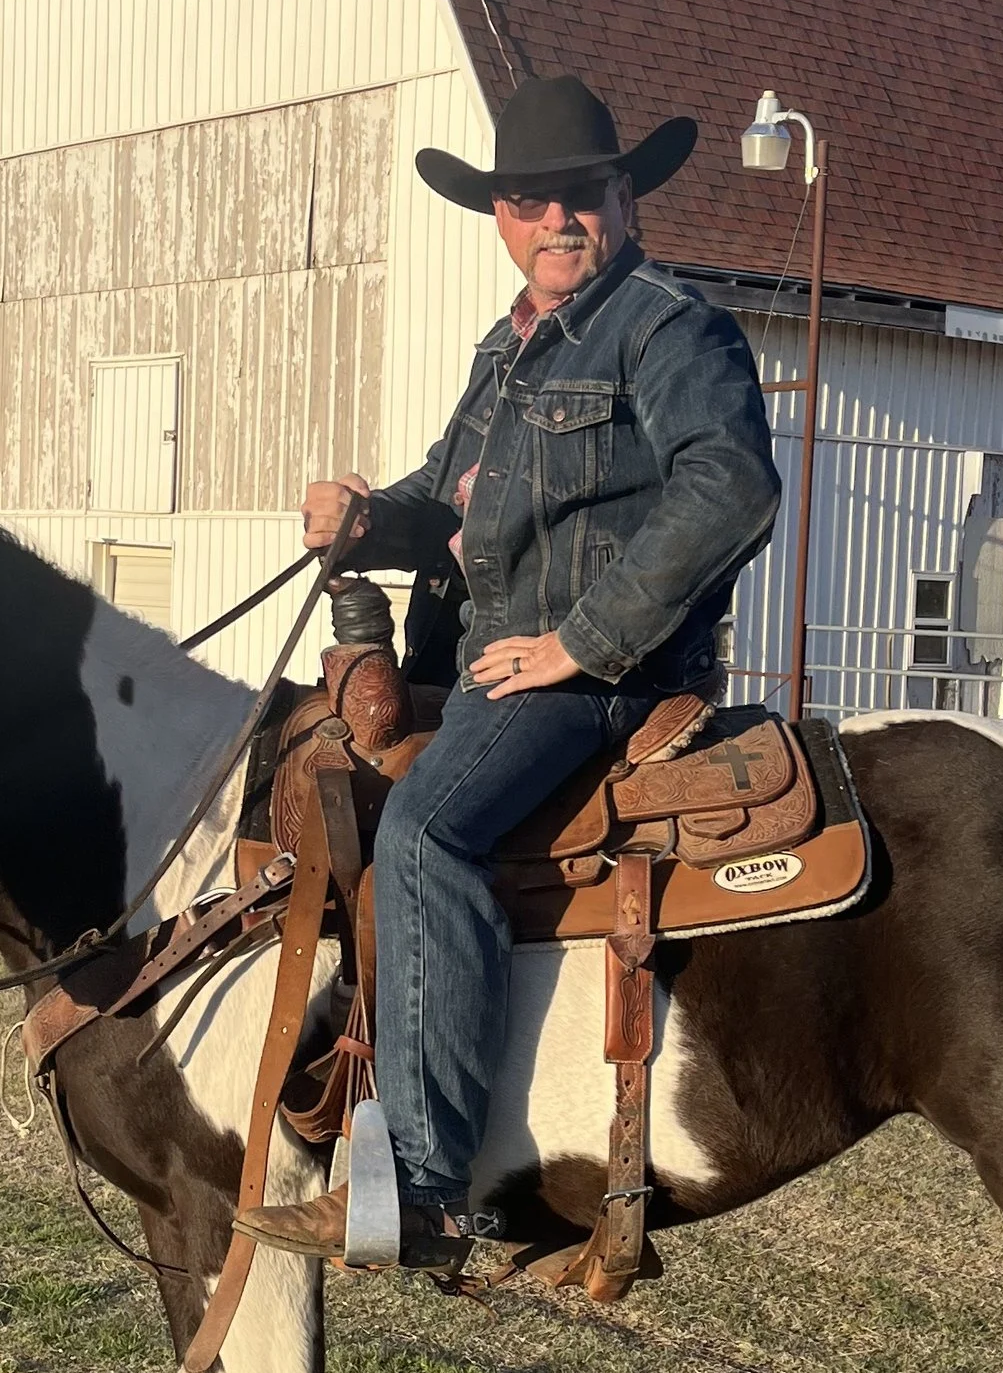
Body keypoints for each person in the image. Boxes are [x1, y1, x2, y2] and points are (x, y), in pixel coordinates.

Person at [236, 72, 783, 1275]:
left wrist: (583, 641)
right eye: (527, 203)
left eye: (577, 198)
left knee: (427, 833)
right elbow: (450, 503)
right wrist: (363, 516)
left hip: (604, 676)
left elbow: (729, 486)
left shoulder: (668, 327)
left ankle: (427, 1185)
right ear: (497, 215)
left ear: (622, 197)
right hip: (504, 663)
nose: (553, 223)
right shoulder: (510, 349)